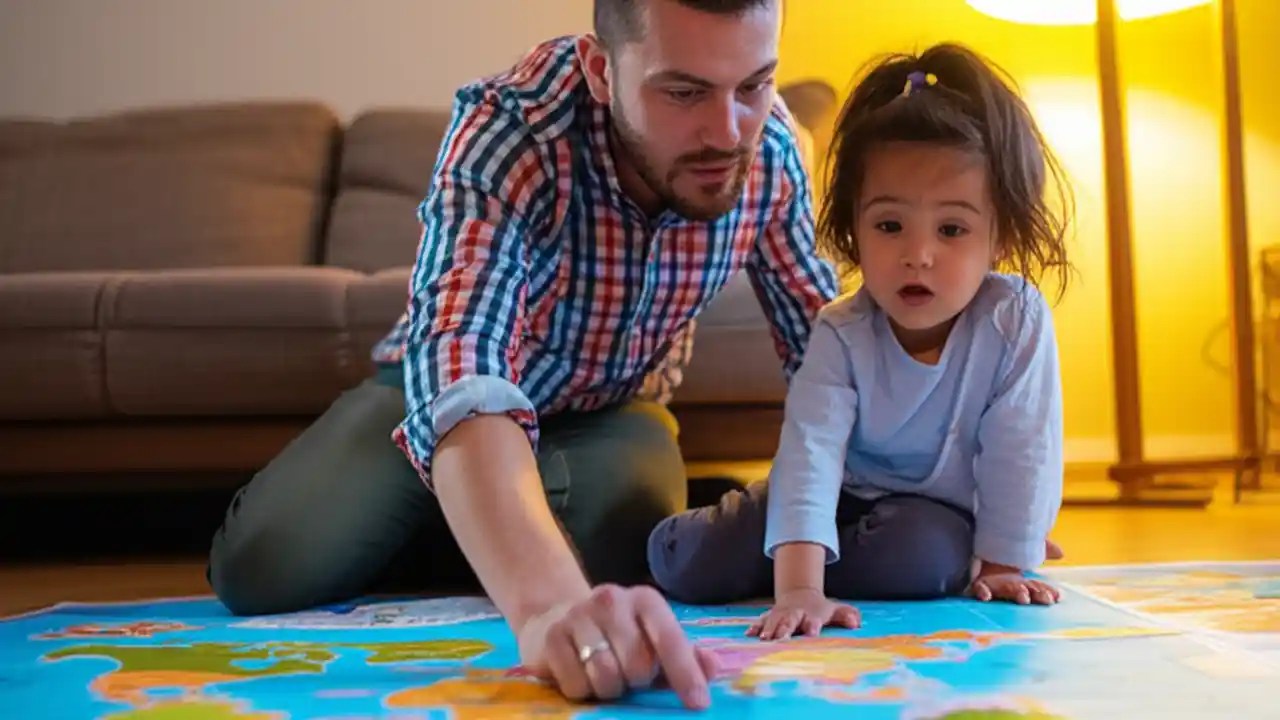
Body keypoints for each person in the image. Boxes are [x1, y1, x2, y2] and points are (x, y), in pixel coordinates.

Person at [206, 0, 839, 708]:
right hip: (427, 396)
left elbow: (828, 353)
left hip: (613, 408)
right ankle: (479, 513)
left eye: (753, 86)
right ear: (604, 71)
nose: (728, 133)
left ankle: (480, 523)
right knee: (266, 568)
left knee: (625, 562)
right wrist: (542, 606)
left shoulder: (773, 150)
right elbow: (462, 359)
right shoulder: (513, 126)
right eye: (684, 92)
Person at [647, 42, 1074, 640]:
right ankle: (739, 526)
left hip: (928, 514)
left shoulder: (1015, 320)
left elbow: (1023, 448)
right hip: (834, 493)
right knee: (685, 564)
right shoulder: (842, 330)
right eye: (889, 226)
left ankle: (812, 554)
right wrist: (800, 590)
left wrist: (1005, 559)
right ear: (854, 230)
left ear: (997, 237)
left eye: (952, 229)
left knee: (926, 560)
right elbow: (811, 456)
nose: (917, 256)